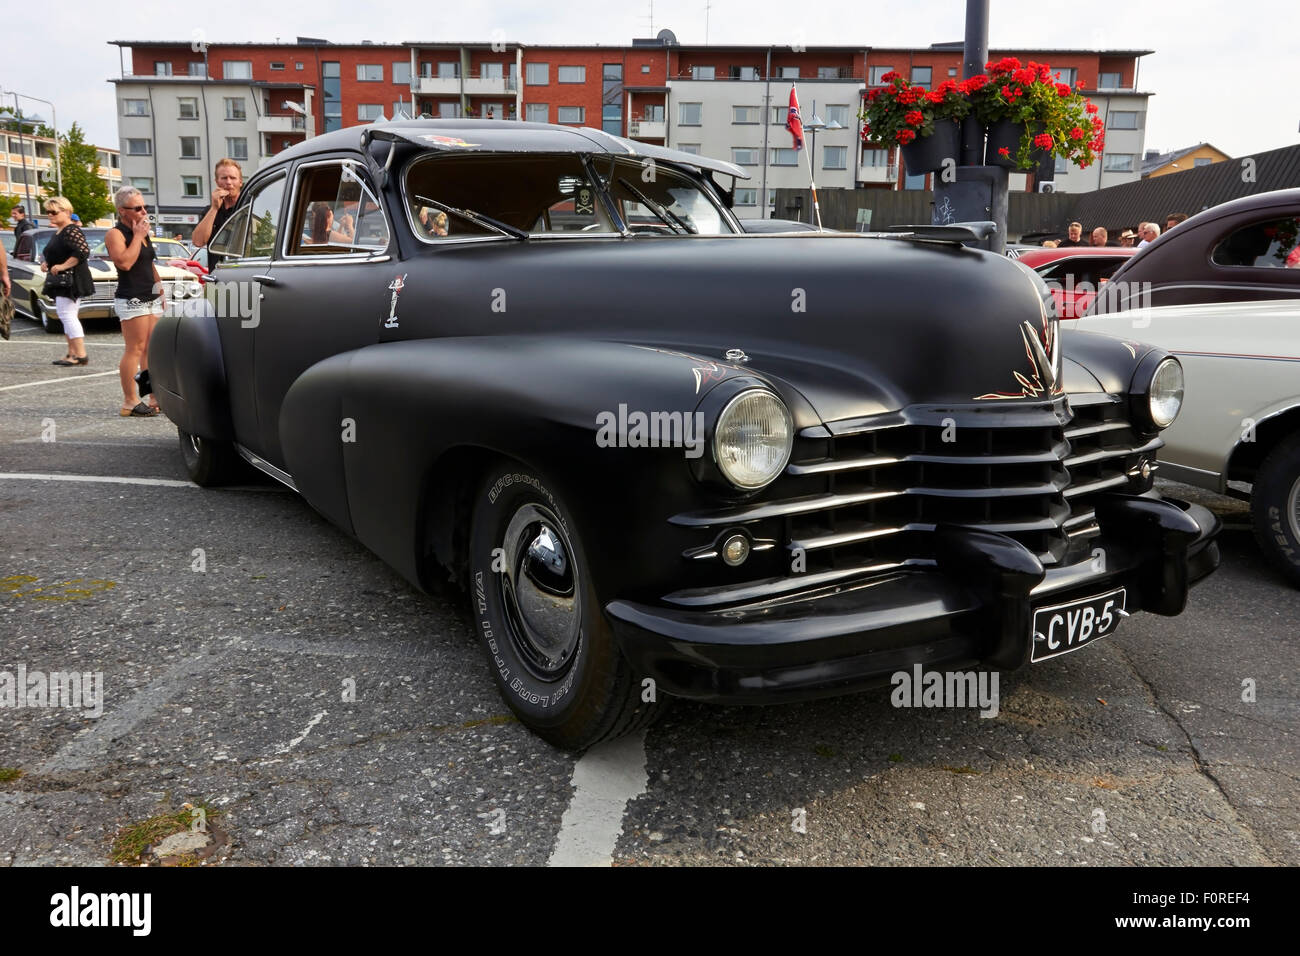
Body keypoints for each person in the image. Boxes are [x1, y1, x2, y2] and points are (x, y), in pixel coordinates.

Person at [105, 186, 165, 417]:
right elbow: (125, 263)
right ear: (122, 211)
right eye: (137, 208)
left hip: (150, 296)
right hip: (132, 298)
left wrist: (160, 292)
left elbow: (149, 265)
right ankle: (130, 401)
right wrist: (138, 236)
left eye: (145, 207)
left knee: (150, 348)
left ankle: (152, 395)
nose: (143, 212)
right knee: (134, 348)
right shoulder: (115, 234)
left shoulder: (143, 232)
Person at [39, 197, 96, 366]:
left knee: (67, 315)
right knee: (66, 316)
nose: (50, 215)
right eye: (48, 212)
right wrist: (47, 263)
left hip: (71, 280)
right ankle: (72, 353)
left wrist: (63, 266)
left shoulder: (71, 230)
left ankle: (80, 354)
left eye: (54, 212)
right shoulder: (60, 231)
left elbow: (83, 251)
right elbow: (58, 253)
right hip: (63, 280)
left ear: (67, 212)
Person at [191, 157, 244, 247]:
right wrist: (214, 208)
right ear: (217, 182)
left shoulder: (248, 206)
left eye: (233, 178)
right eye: (224, 178)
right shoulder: (209, 210)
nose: (228, 182)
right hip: (217, 261)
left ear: (240, 182)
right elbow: (198, 242)